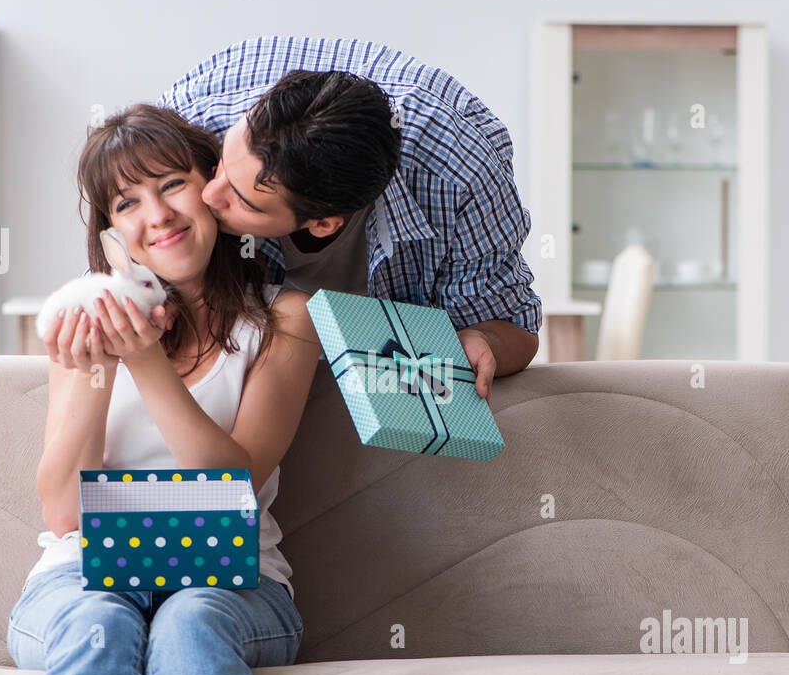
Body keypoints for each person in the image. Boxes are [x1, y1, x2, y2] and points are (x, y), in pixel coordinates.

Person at [8, 103, 321, 675]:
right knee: (102, 623)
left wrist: (144, 360)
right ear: (112, 233)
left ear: (212, 187)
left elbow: (237, 484)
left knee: (186, 621)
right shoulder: (84, 315)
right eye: (127, 202)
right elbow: (62, 512)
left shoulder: (285, 319)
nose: (158, 215)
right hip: (82, 579)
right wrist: (99, 360)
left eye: (173, 184)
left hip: (232, 585)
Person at [155, 35, 544, 401]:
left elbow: (516, 327)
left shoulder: (462, 178)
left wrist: (482, 340)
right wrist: (151, 296)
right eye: (222, 165)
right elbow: (113, 257)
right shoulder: (192, 127)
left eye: (243, 201)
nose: (208, 194)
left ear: (325, 223)